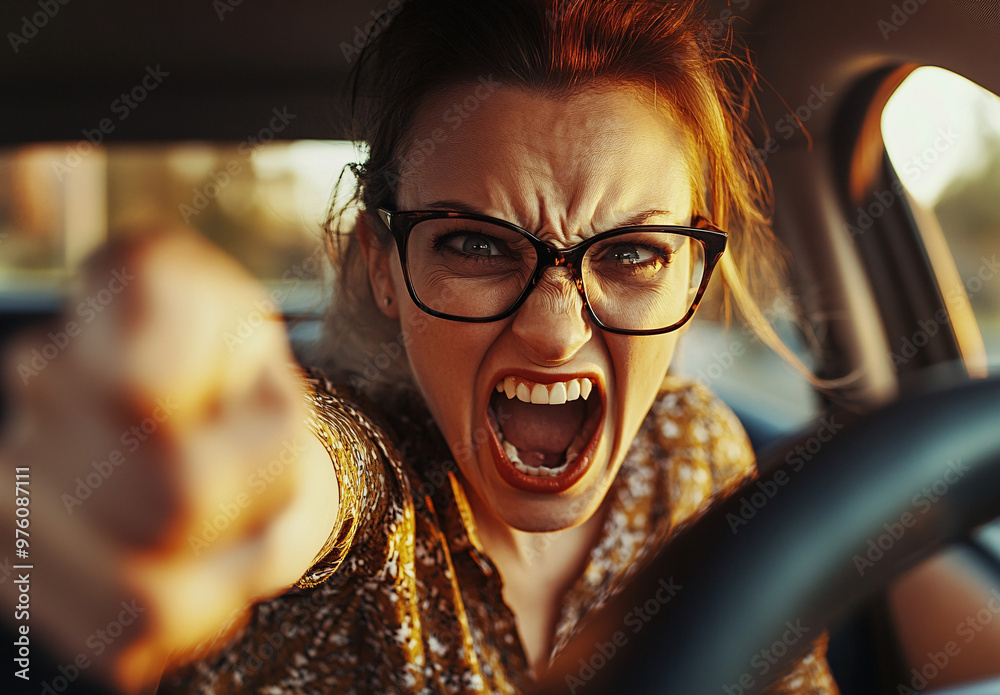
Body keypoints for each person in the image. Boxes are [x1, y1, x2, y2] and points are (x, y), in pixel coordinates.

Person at [0, 0, 841, 693]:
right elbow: (306, 479)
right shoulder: (366, 491)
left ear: (691, 270)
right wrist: (177, 457)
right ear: (381, 264)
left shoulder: (696, 451)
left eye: (631, 253)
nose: (554, 332)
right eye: (474, 244)